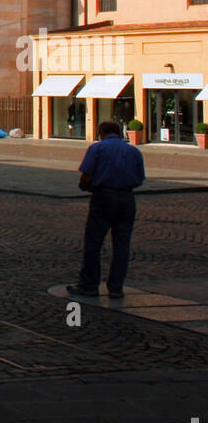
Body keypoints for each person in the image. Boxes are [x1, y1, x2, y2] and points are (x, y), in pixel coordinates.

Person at [68, 120, 145, 299]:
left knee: (94, 242)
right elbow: (140, 179)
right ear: (120, 133)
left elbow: (86, 176)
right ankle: (116, 287)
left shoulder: (97, 149)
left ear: (101, 132)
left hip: (103, 196)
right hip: (127, 198)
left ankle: (89, 285)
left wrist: (88, 186)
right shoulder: (133, 151)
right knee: (122, 244)